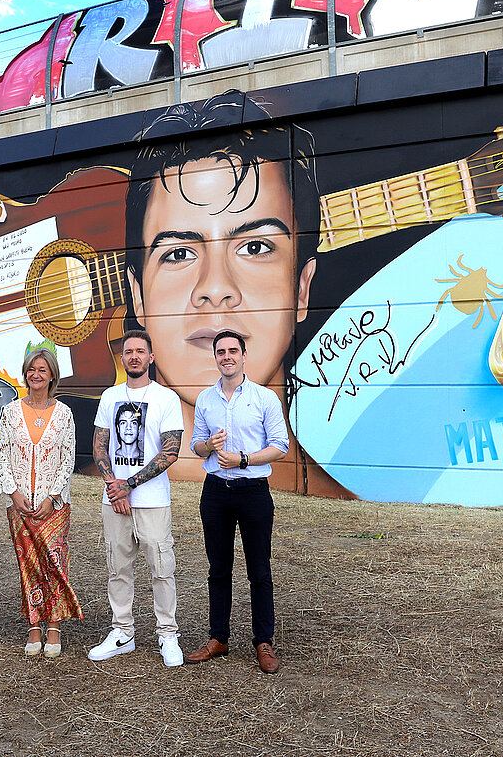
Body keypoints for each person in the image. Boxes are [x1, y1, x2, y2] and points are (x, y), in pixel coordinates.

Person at [122, 90, 351, 498]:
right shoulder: (110, 479)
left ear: (301, 287)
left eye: (255, 247)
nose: (215, 289)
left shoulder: (341, 503)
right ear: (138, 295)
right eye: (178, 253)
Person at [186, 331, 288, 674]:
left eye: (233, 350)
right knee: (218, 568)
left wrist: (244, 459)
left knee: (259, 570)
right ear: (215, 357)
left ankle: (263, 642)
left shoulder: (264, 398)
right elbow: (196, 445)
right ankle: (219, 638)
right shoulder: (205, 399)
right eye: (221, 352)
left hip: (253, 491)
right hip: (215, 492)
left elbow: (280, 445)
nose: (226, 356)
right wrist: (209, 446)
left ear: (244, 355)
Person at [89, 329, 184, 667]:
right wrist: (113, 486)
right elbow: (99, 444)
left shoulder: (166, 398)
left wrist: (128, 484)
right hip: (114, 501)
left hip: (153, 501)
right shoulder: (110, 396)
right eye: (129, 351)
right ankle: (122, 632)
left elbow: (170, 451)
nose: (134, 357)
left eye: (140, 351)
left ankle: (168, 634)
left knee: (162, 569)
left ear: (150, 357)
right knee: (118, 569)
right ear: (122, 358)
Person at [0, 348, 83, 657]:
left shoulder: (64, 414)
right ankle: (34, 627)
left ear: (52, 375)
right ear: (25, 373)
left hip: (53, 506)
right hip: (19, 505)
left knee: (54, 564)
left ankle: (54, 626)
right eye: (32, 369)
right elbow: (3, 455)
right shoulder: (10, 412)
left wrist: (53, 496)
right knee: (28, 565)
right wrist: (13, 492)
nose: (36, 375)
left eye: (42, 370)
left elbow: (68, 458)